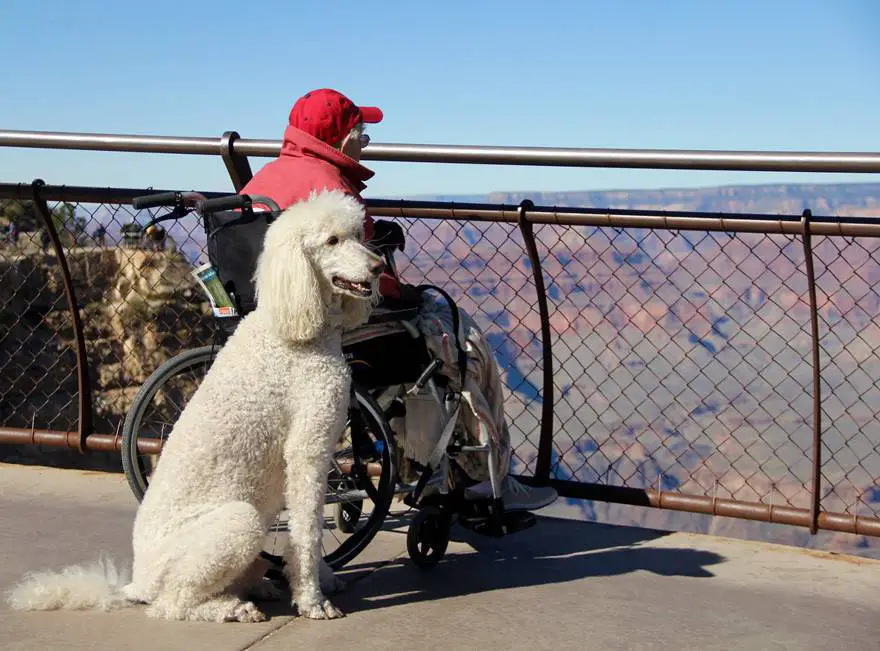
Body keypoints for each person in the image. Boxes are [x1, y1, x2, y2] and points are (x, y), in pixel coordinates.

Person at [240, 88, 557, 512]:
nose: (365, 140)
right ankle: (483, 478)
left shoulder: (262, 180)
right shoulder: (330, 191)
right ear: (338, 138)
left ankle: (431, 473)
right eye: (360, 131)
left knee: (426, 333)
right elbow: (372, 276)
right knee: (461, 339)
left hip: (269, 321)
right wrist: (404, 294)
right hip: (333, 326)